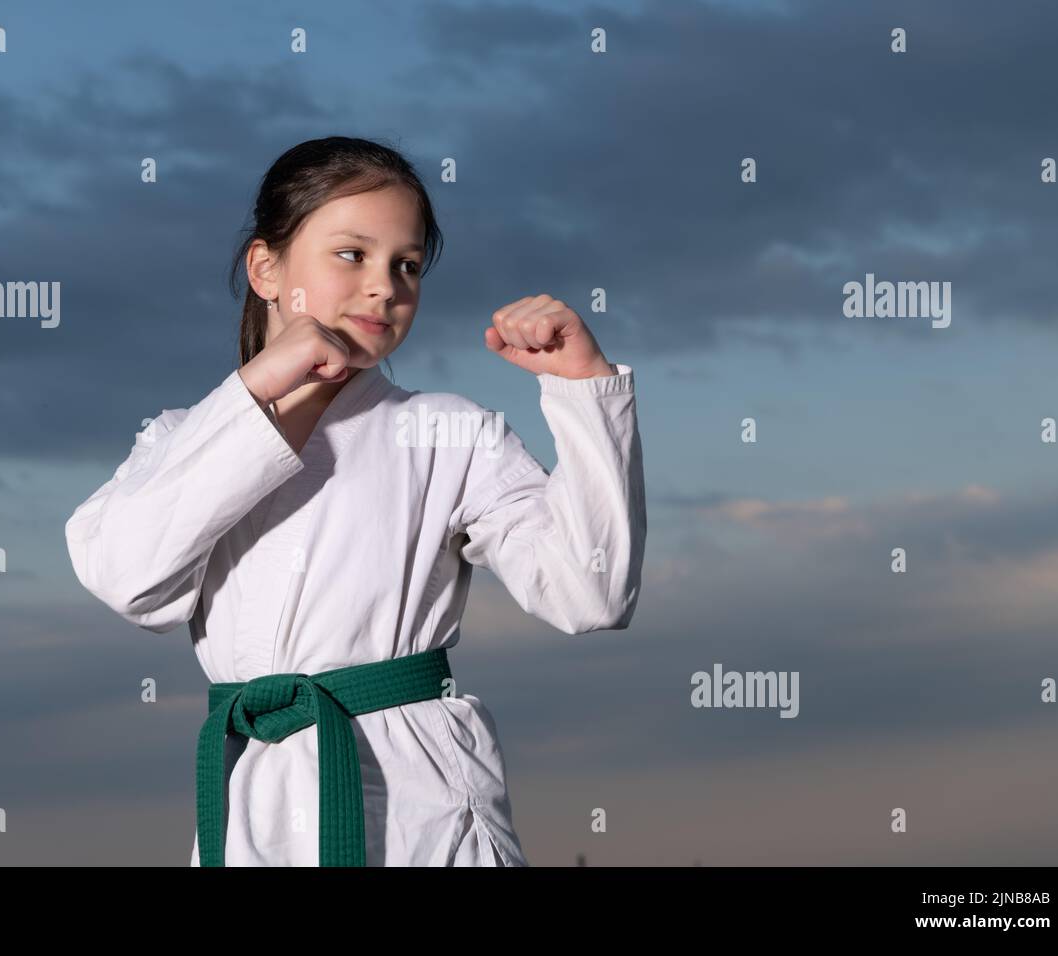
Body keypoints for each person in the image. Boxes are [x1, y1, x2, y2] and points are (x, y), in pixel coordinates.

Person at [64, 135, 646, 866]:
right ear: (266, 269)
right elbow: (127, 578)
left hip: (420, 807)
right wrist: (259, 392)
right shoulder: (182, 440)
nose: (385, 286)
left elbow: (590, 593)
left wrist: (583, 387)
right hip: (253, 805)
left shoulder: (447, 432)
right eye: (352, 255)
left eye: (407, 265)